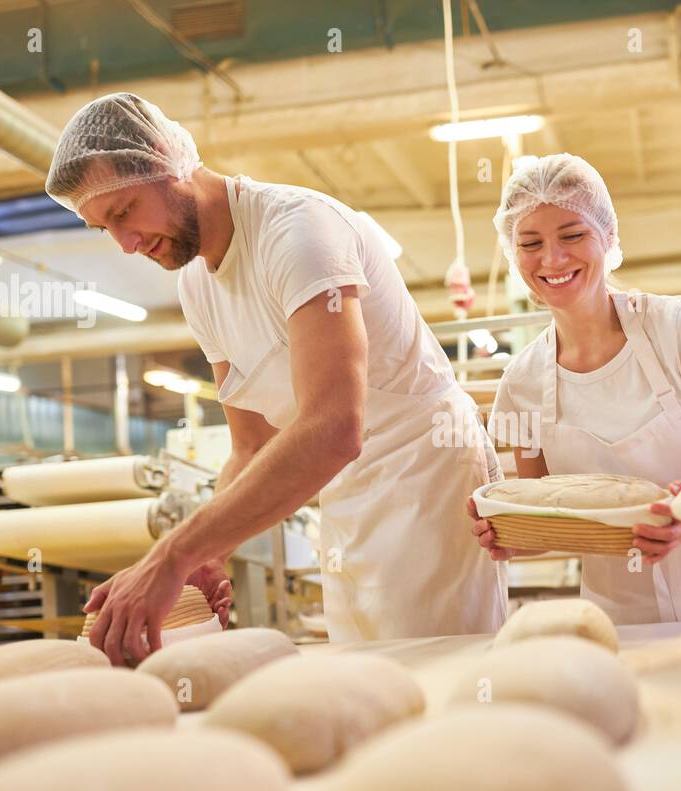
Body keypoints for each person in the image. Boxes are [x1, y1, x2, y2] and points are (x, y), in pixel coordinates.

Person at [45, 93, 506, 660]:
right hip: (345, 491)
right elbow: (250, 446)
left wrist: (174, 556)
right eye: (102, 229)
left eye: (124, 212)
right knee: (366, 672)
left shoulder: (299, 233)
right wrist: (211, 552)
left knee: (436, 673)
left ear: (169, 162)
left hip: (425, 474)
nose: (126, 244)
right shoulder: (196, 285)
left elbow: (335, 428)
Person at [469, 154, 681, 625]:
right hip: (626, 623)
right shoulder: (521, 385)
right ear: (513, 253)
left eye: (572, 235)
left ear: (606, 237)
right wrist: (510, 532)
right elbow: (552, 517)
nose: (552, 259)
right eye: (530, 243)